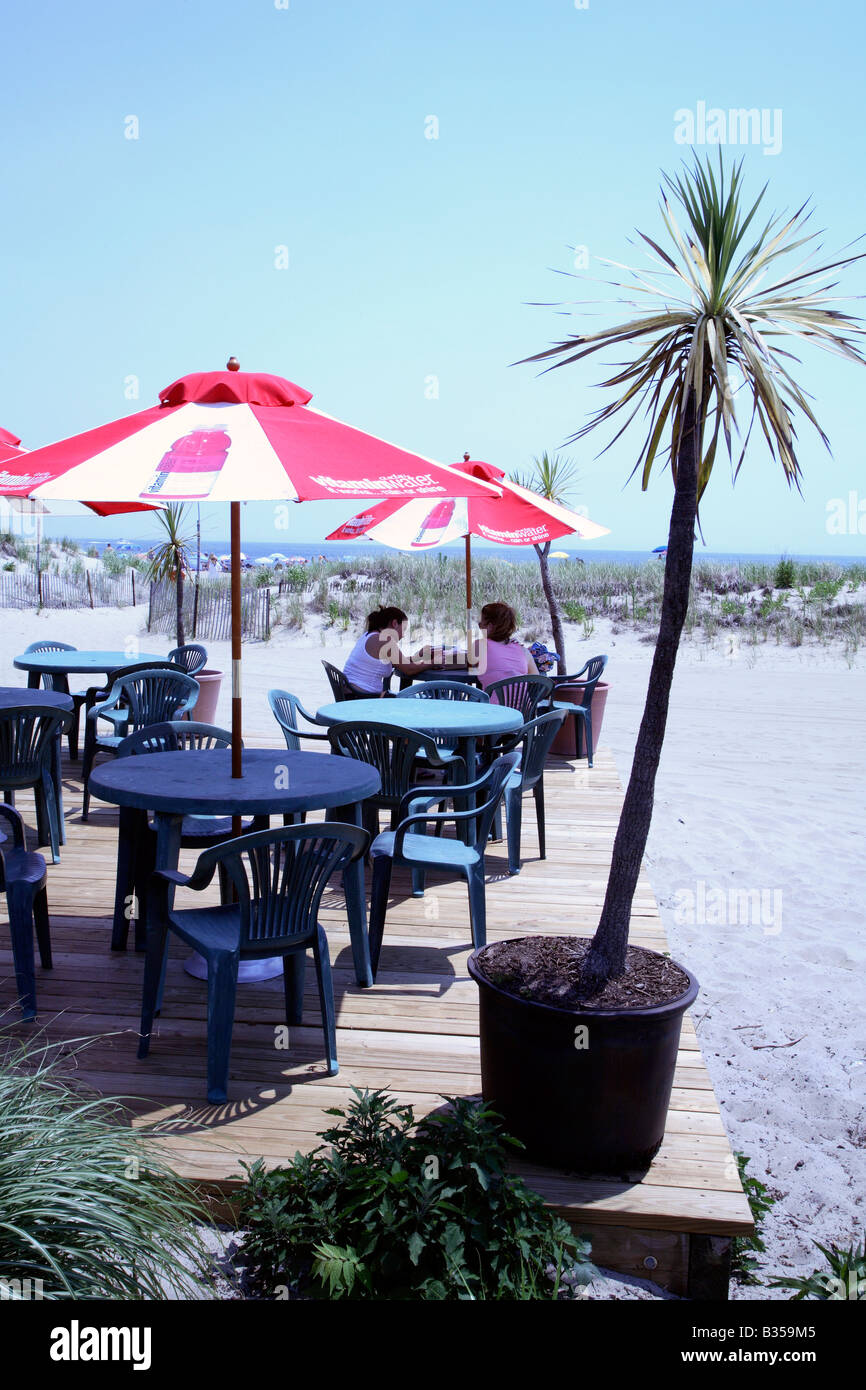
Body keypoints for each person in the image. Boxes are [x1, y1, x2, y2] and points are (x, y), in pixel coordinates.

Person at [343, 607, 434, 694]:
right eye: (403, 630)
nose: (403, 635)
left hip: (350, 693)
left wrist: (418, 657)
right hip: (362, 697)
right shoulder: (384, 640)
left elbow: (399, 662)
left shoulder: (369, 635)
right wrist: (434, 663)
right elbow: (409, 669)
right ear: (394, 623)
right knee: (410, 699)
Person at [472, 601, 538, 699]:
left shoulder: (480, 645)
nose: (480, 626)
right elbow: (537, 680)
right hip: (522, 712)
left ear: (490, 626)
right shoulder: (524, 651)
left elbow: (467, 665)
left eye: (481, 623)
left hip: (492, 711)